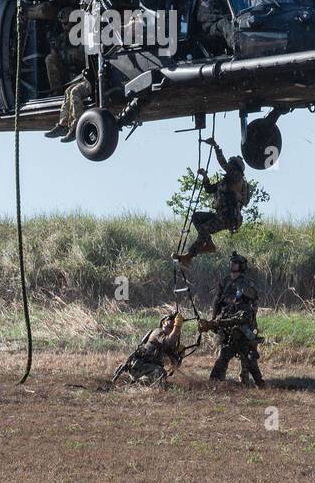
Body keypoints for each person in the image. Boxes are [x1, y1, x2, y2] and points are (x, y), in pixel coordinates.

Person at [172, 137, 250, 268]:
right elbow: (209, 189)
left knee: (204, 228)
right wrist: (205, 177)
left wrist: (216, 146)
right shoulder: (226, 182)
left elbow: (224, 164)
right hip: (222, 215)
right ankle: (209, 245)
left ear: (236, 169)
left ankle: (189, 256)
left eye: (231, 166)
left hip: (229, 217)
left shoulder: (238, 179)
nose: (228, 167)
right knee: (196, 217)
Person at [200, 252, 264, 386]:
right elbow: (217, 300)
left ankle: (252, 381)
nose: (232, 264)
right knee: (224, 354)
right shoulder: (225, 280)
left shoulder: (246, 282)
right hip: (227, 321)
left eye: (235, 262)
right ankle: (216, 381)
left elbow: (253, 303)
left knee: (248, 358)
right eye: (231, 262)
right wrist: (214, 320)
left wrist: (251, 321)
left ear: (241, 266)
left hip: (243, 323)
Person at [113, 311, 188, 385]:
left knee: (161, 375)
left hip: (149, 368)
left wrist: (180, 355)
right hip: (139, 367)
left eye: (175, 322)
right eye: (170, 319)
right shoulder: (158, 332)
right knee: (160, 372)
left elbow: (175, 366)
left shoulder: (170, 342)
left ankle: (145, 382)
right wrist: (177, 327)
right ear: (163, 323)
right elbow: (168, 341)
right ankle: (138, 384)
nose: (173, 322)